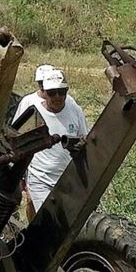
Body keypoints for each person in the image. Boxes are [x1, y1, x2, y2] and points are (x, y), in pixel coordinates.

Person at [13, 69, 88, 212]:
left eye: (62, 92)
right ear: (44, 93)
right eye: (52, 93)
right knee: (47, 218)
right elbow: (17, 141)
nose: (58, 96)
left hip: (69, 178)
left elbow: (85, 138)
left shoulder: (74, 110)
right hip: (40, 179)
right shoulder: (33, 113)